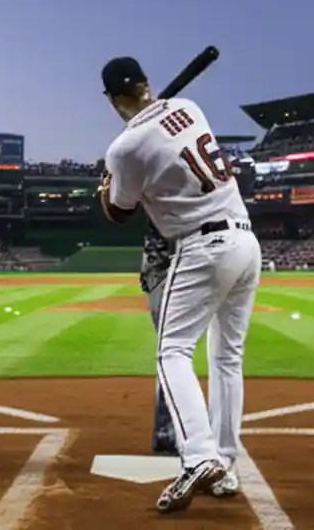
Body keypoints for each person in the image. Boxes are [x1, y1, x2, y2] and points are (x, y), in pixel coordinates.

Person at [96, 56, 260, 514]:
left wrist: (105, 185)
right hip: (246, 240)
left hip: (202, 247)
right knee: (227, 358)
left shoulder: (124, 149)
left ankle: (198, 457)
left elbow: (120, 211)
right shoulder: (190, 107)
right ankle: (225, 465)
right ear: (146, 84)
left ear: (114, 101)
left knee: (172, 352)